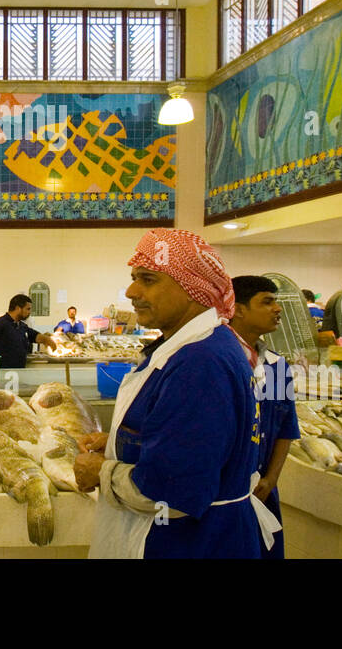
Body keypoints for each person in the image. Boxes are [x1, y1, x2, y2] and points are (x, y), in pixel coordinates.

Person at [82, 228, 276, 559]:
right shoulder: (192, 346)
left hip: (194, 543)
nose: (131, 291)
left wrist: (100, 471)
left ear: (192, 288)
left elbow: (171, 492)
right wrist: (121, 441)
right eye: (134, 278)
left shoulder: (201, 362)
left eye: (148, 279)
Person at [229, 275, 299, 559]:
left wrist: (271, 479)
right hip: (225, 495)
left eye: (277, 302)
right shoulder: (216, 360)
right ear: (238, 308)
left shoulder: (277, 366)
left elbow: (286, 428)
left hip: (263, 492)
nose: (277, 309)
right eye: (266, 302)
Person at [0, 294, 53, 370]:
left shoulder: (21, 325)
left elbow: (33, 335)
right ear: (18, 308)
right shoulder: (1, 323)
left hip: (18, 370)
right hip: (4, 371)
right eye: (28, 309)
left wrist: (46, 339)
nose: (29, 312)